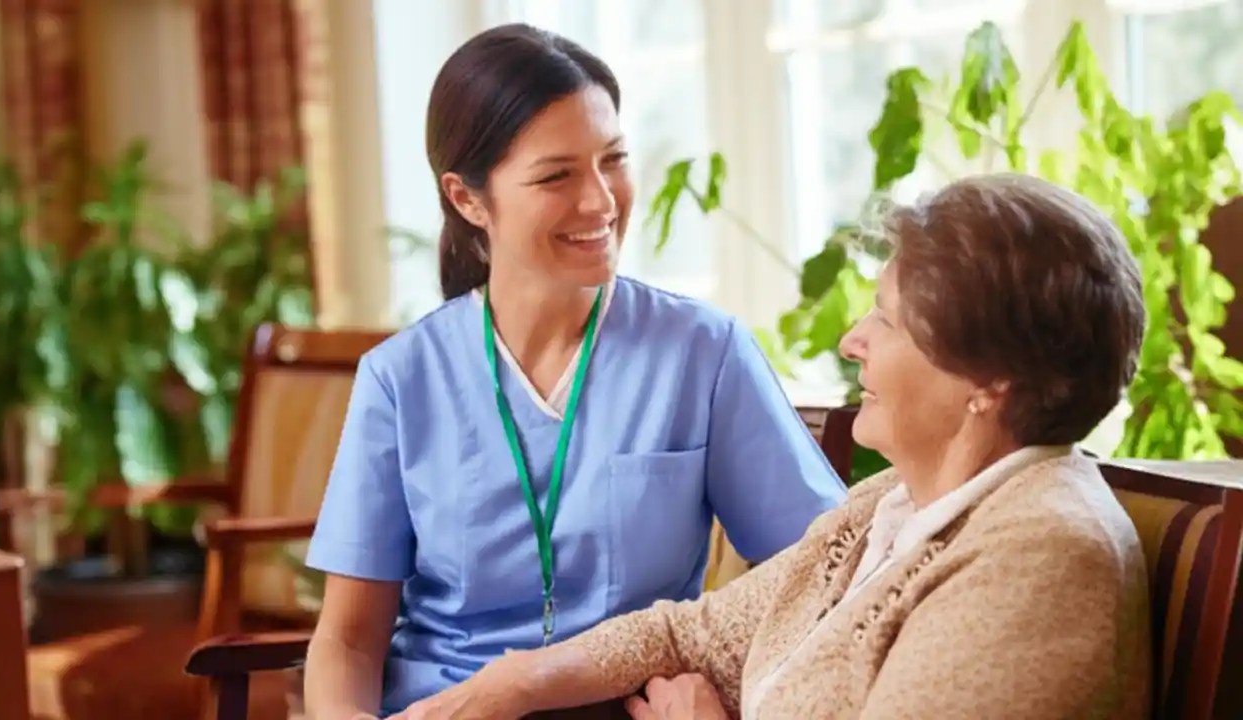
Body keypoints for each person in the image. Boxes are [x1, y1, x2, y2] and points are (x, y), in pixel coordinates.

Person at [390, 172, 1154, 720]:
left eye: (885, 322)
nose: (854, 340)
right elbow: (688, 631)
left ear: (987, 380)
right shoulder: (886, 508)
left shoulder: (1040, 553)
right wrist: (513, 684)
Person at [300, 23, 848, 719]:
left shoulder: (702, 352)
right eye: (557, 175)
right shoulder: (400, 379)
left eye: (613, 159)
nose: (601, 200)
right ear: (468, 199)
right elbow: (347, 641)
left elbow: (821, 571)